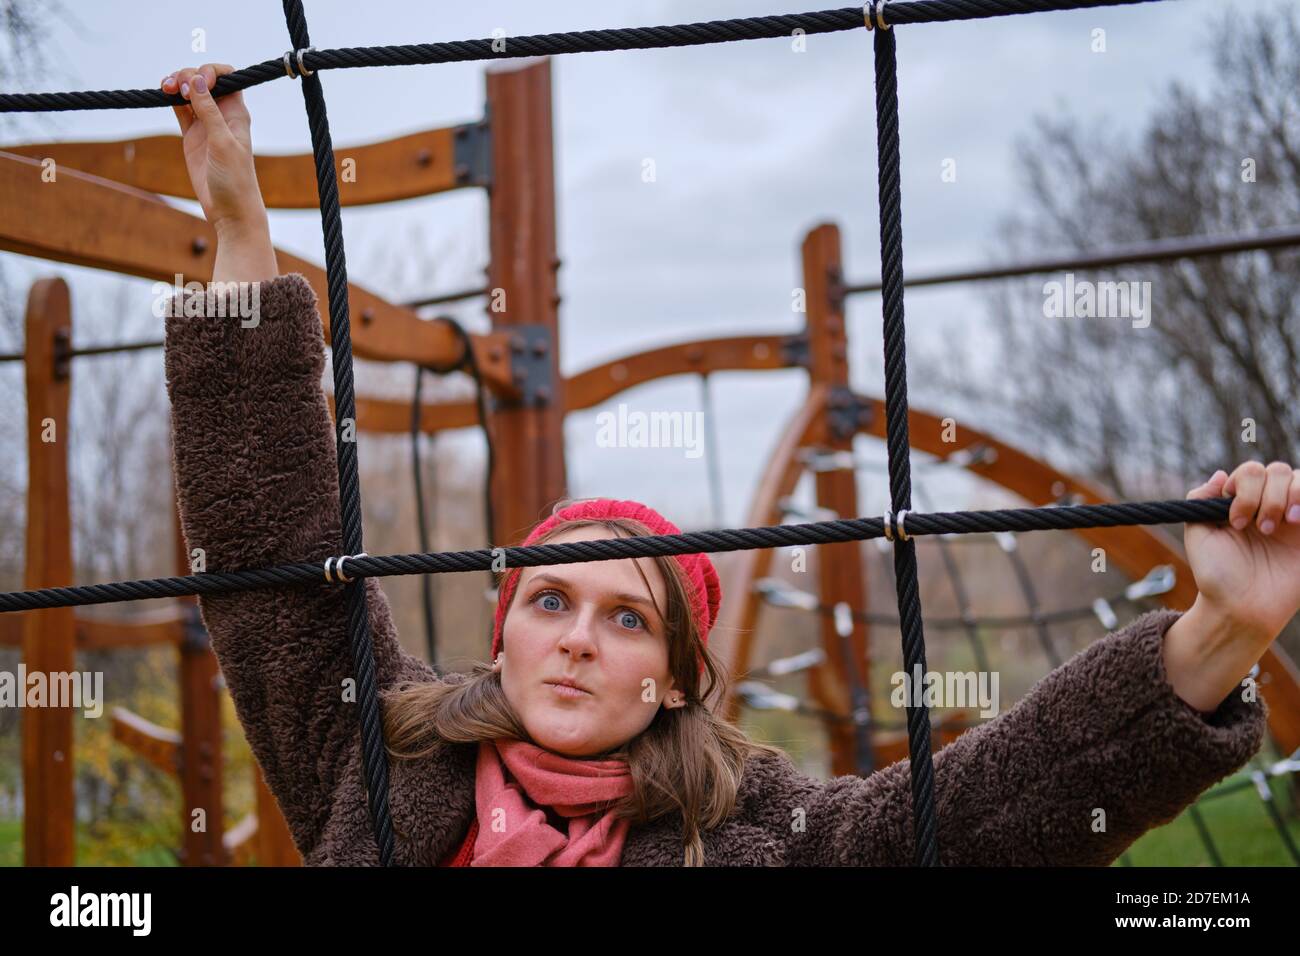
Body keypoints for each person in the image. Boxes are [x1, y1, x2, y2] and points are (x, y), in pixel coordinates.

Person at [158, 63, 1300, 866]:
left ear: (669, 678)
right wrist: (242, 229)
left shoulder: (754, 834)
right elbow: (274, 566)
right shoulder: (379, 762)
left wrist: (1219, 632)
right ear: (501, 624)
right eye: (551, 598)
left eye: (627, 620)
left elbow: (996, 810)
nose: (575, 636)